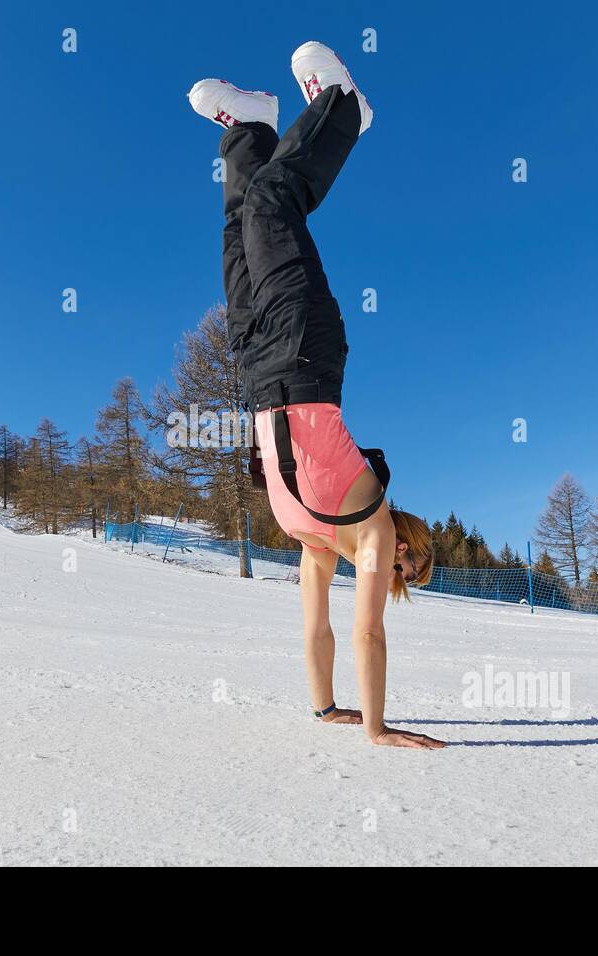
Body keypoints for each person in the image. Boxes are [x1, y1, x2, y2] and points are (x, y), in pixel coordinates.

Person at [189, 42, 445, 749]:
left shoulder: (313, 541)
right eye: (412, 559)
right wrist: (377, 727)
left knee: (239, 235)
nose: (402, 567)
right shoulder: (373, 522)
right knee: (275, 207)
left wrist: (327, 710)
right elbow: (370, 633)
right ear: (409, 539)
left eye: (407, 575)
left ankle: (251, 128)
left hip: (253, 372)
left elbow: (320, 628)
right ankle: (343, 111)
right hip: (306, 350)